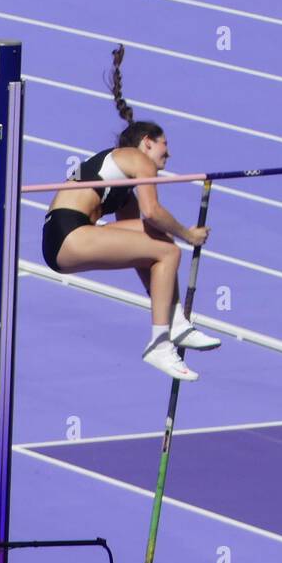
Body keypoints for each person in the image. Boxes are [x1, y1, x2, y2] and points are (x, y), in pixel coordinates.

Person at [40, 46, 221, 381]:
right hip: (67, 233)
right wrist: (189, 234)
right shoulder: (135, 159)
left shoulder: (120, 188)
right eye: (164, 144)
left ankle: (176, 322)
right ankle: (159, 342)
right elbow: (152, 212)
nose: (169, 152)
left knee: (158, 243)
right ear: (147, 143)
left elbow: (142, 236)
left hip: (66, 234)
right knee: (168, 250)